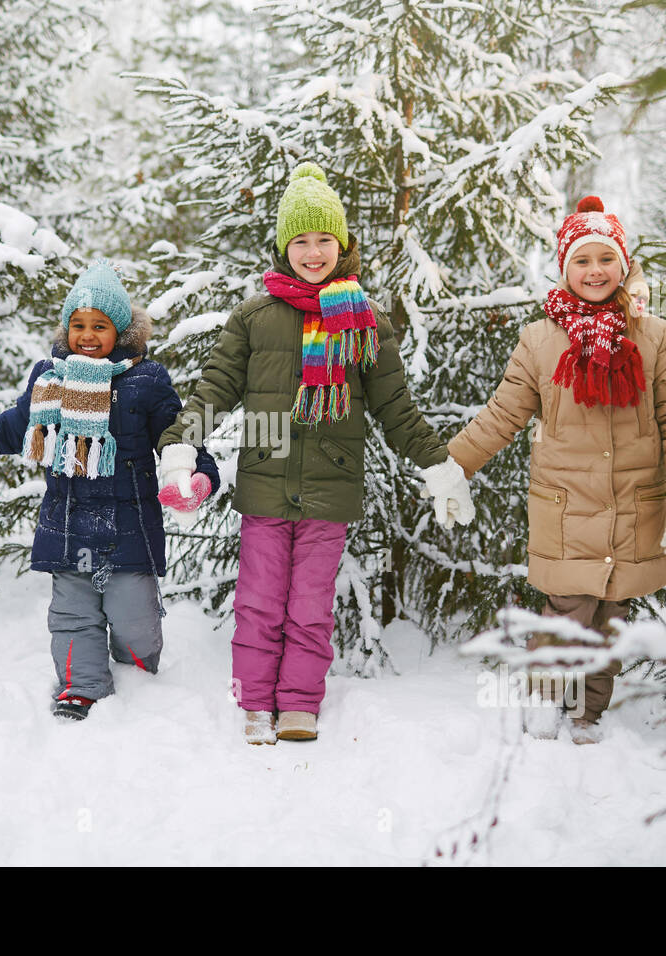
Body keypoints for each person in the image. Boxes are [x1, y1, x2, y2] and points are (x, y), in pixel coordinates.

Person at [156, 162, 472, 745]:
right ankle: (255, 701)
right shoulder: (254, 317)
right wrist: (181, 443)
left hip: (331, 485)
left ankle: (299, 702)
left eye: (324, 238)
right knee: (258, 599)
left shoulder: (364, 322)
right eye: (299, 240)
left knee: (309, 604)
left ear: (343, 243)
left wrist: (438, 464)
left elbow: (395, 408)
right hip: (265, 481)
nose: (312, 250)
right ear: (283, 247)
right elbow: (215, 389)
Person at [445, 196, 666, 743]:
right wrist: (454, 467)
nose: (595, 271)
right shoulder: (541, 340)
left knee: (610, 618)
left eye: (605, 259)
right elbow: (502, 415)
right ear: (566, 270)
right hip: (564, 511)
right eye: (582, 261)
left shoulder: (653, 337)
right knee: (566, 614)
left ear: (624, 265)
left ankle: (588, 712)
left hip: (632, 506)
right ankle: (546, 704)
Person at [0, 261, 220, 720]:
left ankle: (141, 679)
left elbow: (180, 436)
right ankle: (82, 686)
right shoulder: (49, 378)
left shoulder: (145, 381)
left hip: (129, 528)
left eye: (100, 325)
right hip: (69, 526)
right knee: (73, 615)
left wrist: (199, 476)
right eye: (78, 325)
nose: (88, 335)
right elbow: (11, 428)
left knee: (134, 620)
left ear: (122, 331)